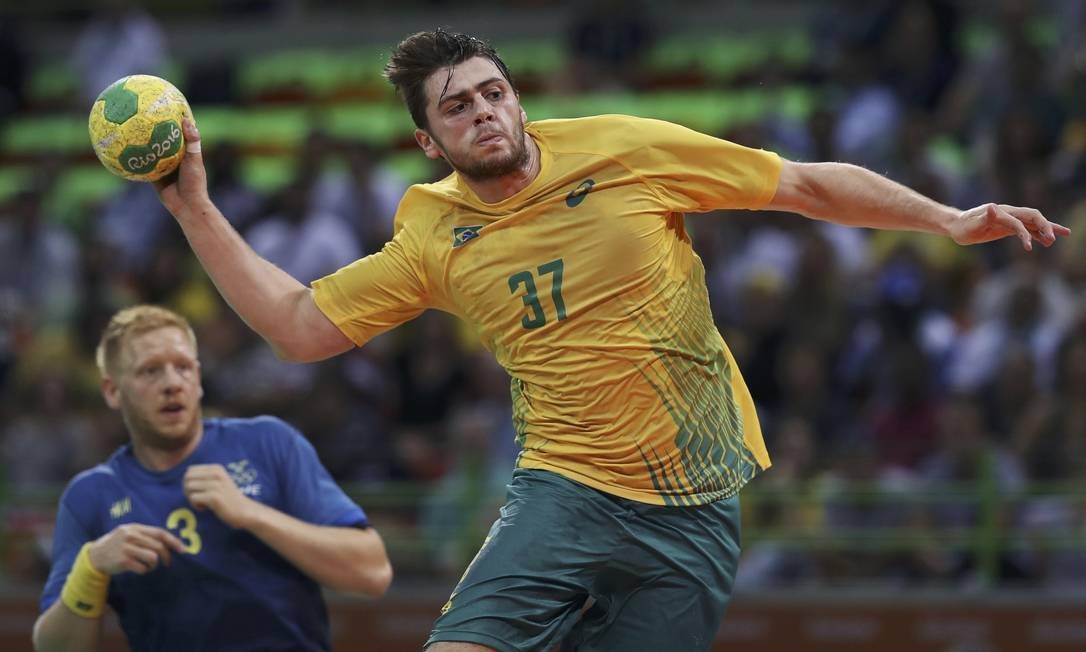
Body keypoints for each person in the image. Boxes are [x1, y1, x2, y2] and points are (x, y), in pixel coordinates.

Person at [151, 29, 1069, 652]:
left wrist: (946, 218)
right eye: (458, 106)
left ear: (517, 97)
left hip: (696, 498)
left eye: (494, 91)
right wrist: (193, 206)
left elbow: (801, 186)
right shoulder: (432, 233)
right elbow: (299, 328)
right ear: (430, 141)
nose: (485, 112)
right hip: (566, 489)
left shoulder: (621, 147)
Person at [32, 305, 392, 652]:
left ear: (200, 379)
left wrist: (251, 514)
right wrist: (90, 570)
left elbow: (372, 572)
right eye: (150, 371)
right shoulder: (91, 495)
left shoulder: (268, 442)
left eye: (184, 367)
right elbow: (53, 647)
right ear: (112, 391)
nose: (172, 383)